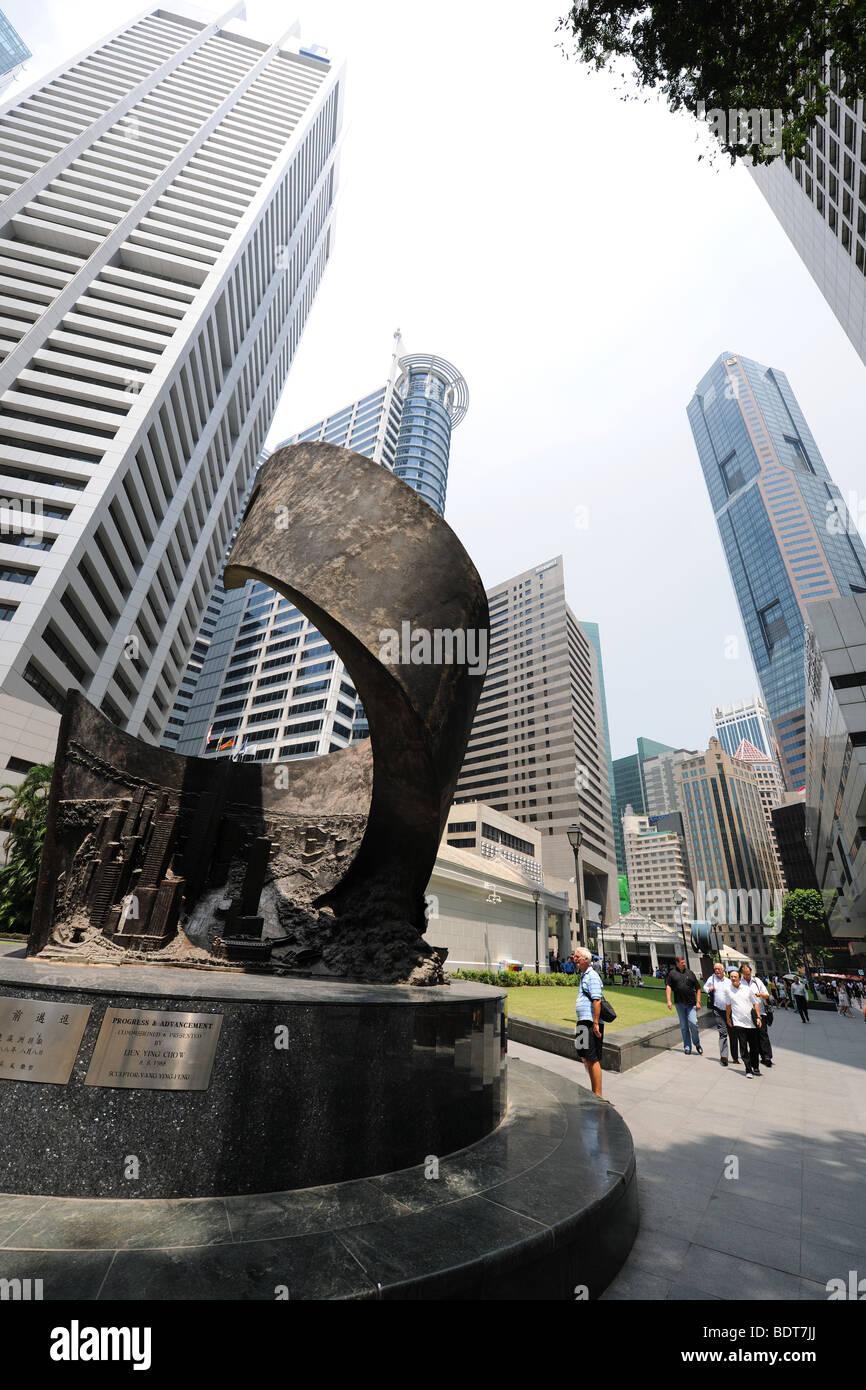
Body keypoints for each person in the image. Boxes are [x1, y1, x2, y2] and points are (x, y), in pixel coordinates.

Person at [574, 946, 606, 1099]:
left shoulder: (592, 976)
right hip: (582, 1022)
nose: (575, 959)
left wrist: (595, 1023)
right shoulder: (584, 976)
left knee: (593, 1059)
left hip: (590, 1023)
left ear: (586, 959)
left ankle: (598, 1095)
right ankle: (593, 1091)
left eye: (577, 957)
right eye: (574, 956)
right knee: (584, 1056)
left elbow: (597, 1000)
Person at [726, 969, 762, 1077]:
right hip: (738, 1023)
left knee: (754, 1047)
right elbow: (728, 1006)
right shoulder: (728, 991)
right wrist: (728, 1018)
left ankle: (755, 1066)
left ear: (739, 978)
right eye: (731, 976)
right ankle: (748, 1069)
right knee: (743, 1047)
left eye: (734, 976)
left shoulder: (747, 989)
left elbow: (755, 1004)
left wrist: (759, 1017)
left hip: (751, 1023)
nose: (732, 978)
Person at [666, 954, 703, 1055]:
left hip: (691, 1004)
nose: (684, 963)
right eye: (681, 962)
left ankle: (697, 1043)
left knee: (693, 1023)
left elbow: (698, 988)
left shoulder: (690, 973)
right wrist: (669, 1000)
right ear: (677, 963)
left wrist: (698, 1002)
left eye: (684, 962)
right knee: (683, 1026)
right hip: (679, 1004)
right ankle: (687, 1046)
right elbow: (669, 987)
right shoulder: (672, 974)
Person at [741, 964, 773, 1069]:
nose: (747, 976)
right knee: (753, 1036)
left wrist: (759, 995)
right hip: (747, 1014)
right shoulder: (740, 983)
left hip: (761, 1012)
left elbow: (766, 995)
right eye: (745, 974)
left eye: (749, 974)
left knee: (763, 1034)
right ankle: (757, 1055)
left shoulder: (757, 981)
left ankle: (767, 1056)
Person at [703, 962, 734, 1066]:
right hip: (718, 1010)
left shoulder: (729, 981)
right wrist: (709, 989)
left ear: (723, 970)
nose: (716, 971)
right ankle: (724, 1056)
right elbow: (705, 988)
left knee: (733, 1033)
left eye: (718, 969)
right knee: (722, 1033)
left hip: (729, 1011)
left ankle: (735, 1056)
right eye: (715, 969)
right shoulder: (711, 979)